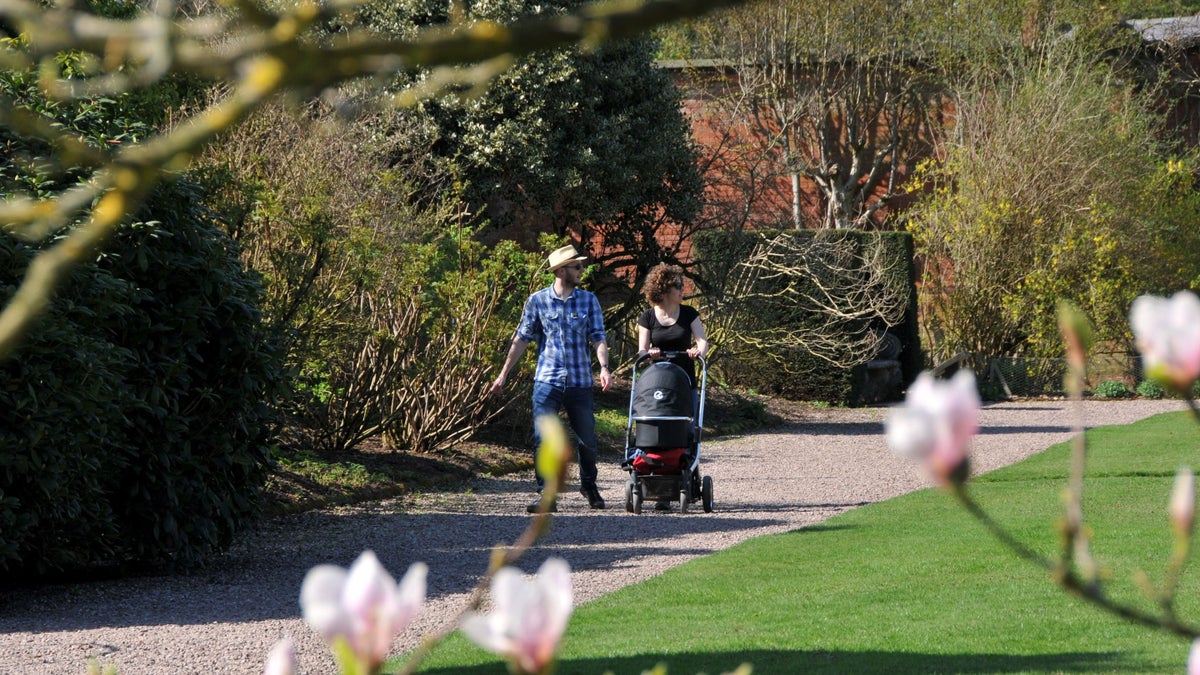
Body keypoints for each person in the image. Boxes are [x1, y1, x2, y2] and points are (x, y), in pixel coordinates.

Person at [490, 244, 612, 513]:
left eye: (581, 266)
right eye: (576, 266)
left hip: (580, 381)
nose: (582, 270)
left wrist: (604, 367)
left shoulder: (589, 300)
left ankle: (589, 485)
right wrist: (503, 375)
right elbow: (521, 338)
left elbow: (598, 337)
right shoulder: (537, 301)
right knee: (543, 440)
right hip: (547, 380)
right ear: (560, 270)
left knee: (587, 440)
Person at [637, 263, 709, 511]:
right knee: (658, 430)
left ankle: (686, 481)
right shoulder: (647, 317)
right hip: (657, 384)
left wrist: (697, 350)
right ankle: (659, 485)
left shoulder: (689, 314)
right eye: (679, 285)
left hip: (683, 381)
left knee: (687, 430)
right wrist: (650, 354)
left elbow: (702, 341)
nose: (683, 290)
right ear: (665, 288)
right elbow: (642, 351)